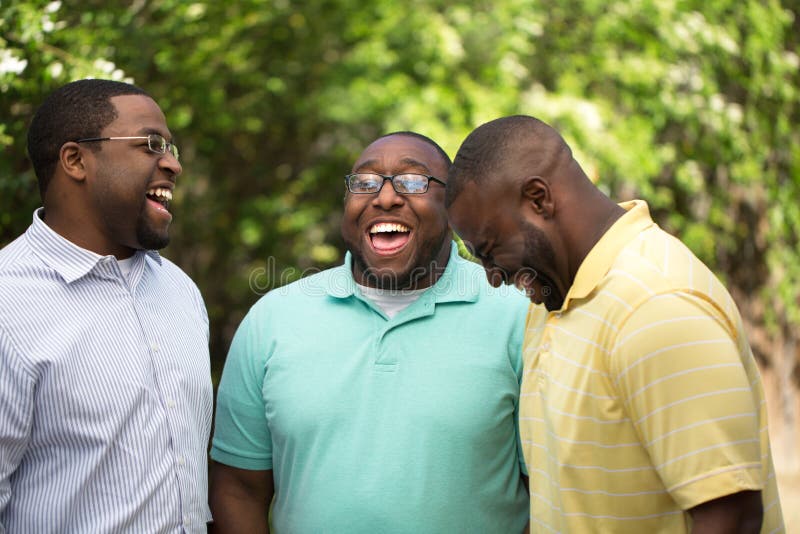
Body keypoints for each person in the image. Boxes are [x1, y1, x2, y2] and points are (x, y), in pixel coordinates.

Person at [445, 115, 785, 533]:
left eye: (491, 249)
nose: (492, 276)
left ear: (539, 199)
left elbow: (733, 518)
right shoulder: (554, 299)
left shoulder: (656, 305)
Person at [209, 132, 530, 533]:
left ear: (453, 207)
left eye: (413, 181)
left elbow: (549, 490)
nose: (385, 197)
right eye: (365, 182)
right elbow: (238, 488)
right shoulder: (272, 319)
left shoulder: (517, 316)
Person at [0, 79, 213, 532]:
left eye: (171, 147)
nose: (173, 164)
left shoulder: (180, 290)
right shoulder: (8, 302)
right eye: (152, 144)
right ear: (76, 160)